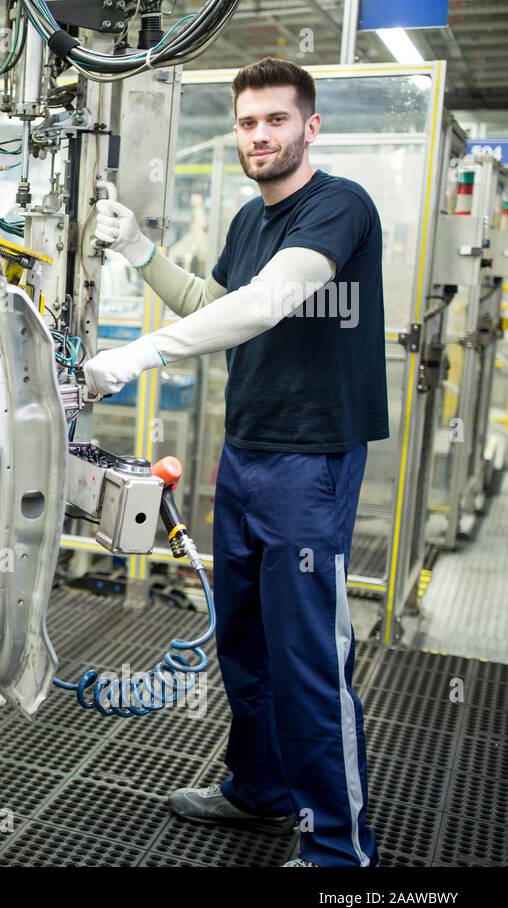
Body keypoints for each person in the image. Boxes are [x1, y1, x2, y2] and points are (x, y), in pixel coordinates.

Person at [83, 56, 385, 867]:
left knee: (309, 656)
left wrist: (133, 357)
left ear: (309, 126)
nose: (260, 135)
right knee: (244, 641)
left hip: (308, 462)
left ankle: (341, 853)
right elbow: (214, 306)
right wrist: (143, 252)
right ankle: (259, 789)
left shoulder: (339, 207)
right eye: (248, 122)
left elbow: (264, 305)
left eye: (276, 120)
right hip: (246, 454)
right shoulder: (250, 220)